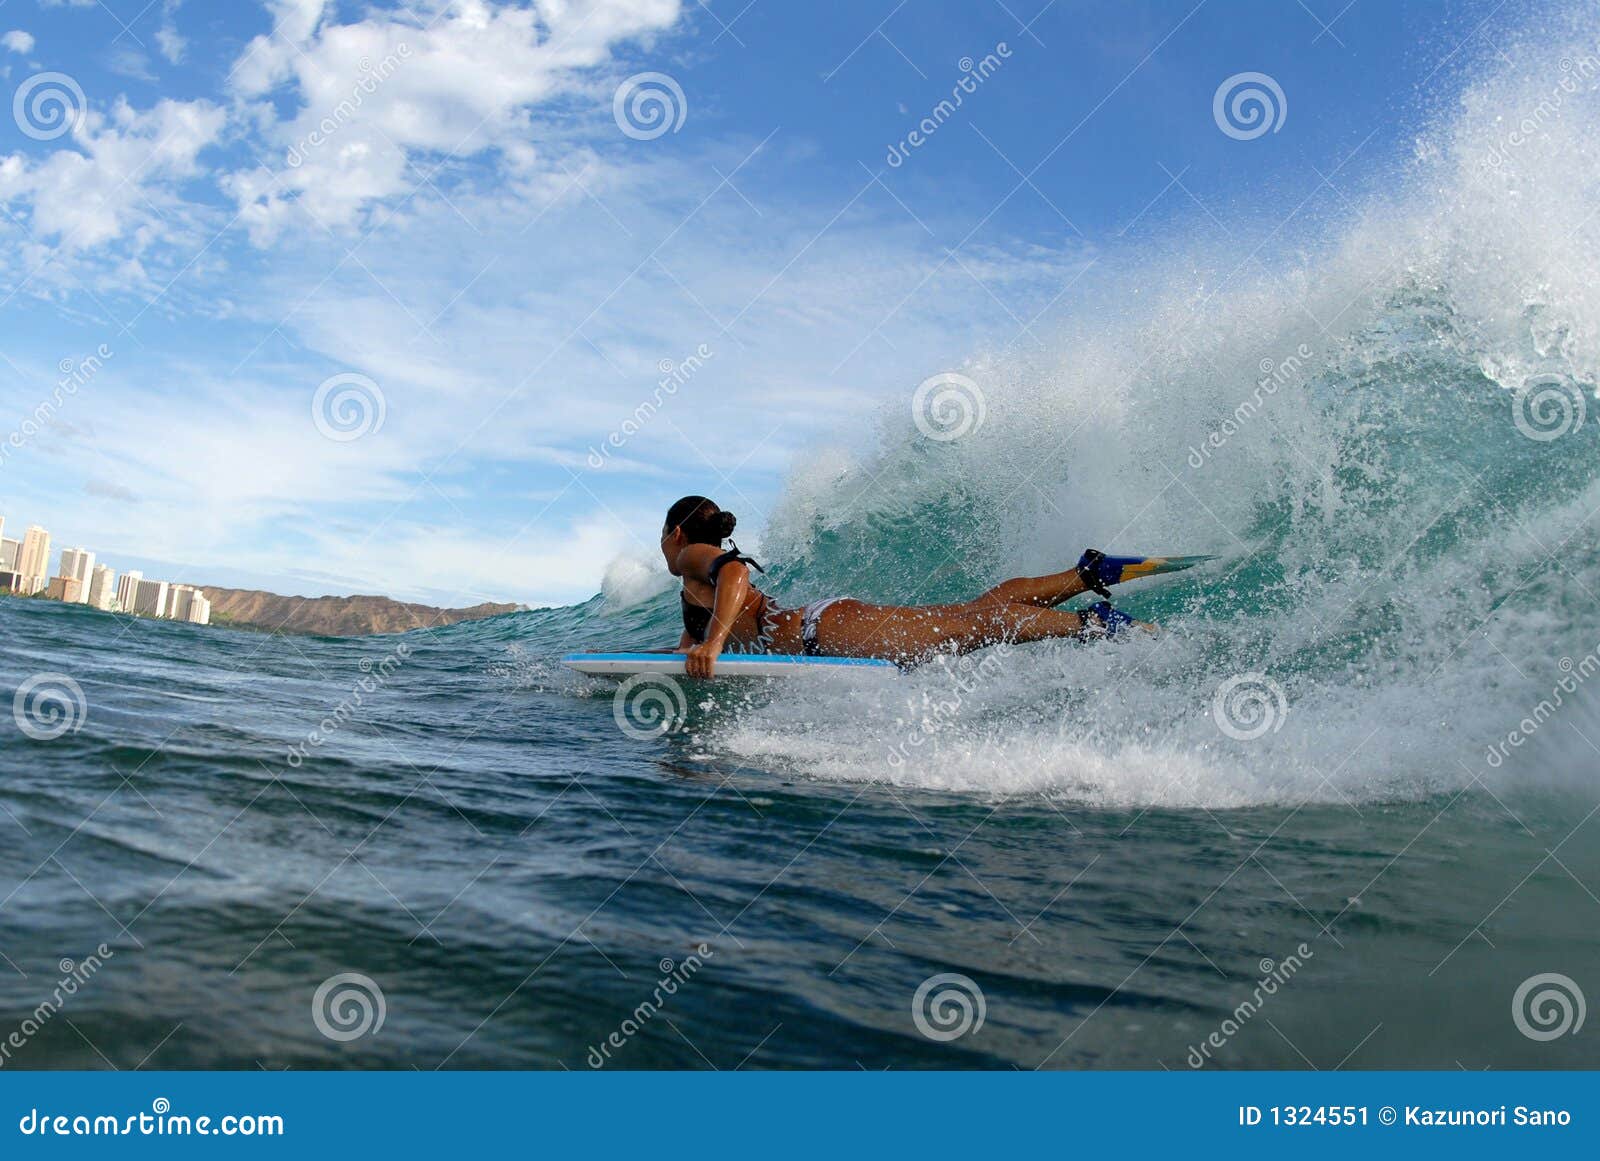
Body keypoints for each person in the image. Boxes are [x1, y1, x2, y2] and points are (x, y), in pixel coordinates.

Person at [660, 495, 1154, 678]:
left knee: (969, 629)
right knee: (971, 611)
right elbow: (689, 646)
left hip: (821, 631)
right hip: (822, 624)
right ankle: (1088, 575)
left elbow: (735, 572)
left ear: (677, 533)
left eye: (663, 536)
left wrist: (719, 642)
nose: (663, 545)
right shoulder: (691, 586)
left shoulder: (688, 558)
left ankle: (1093, 624)